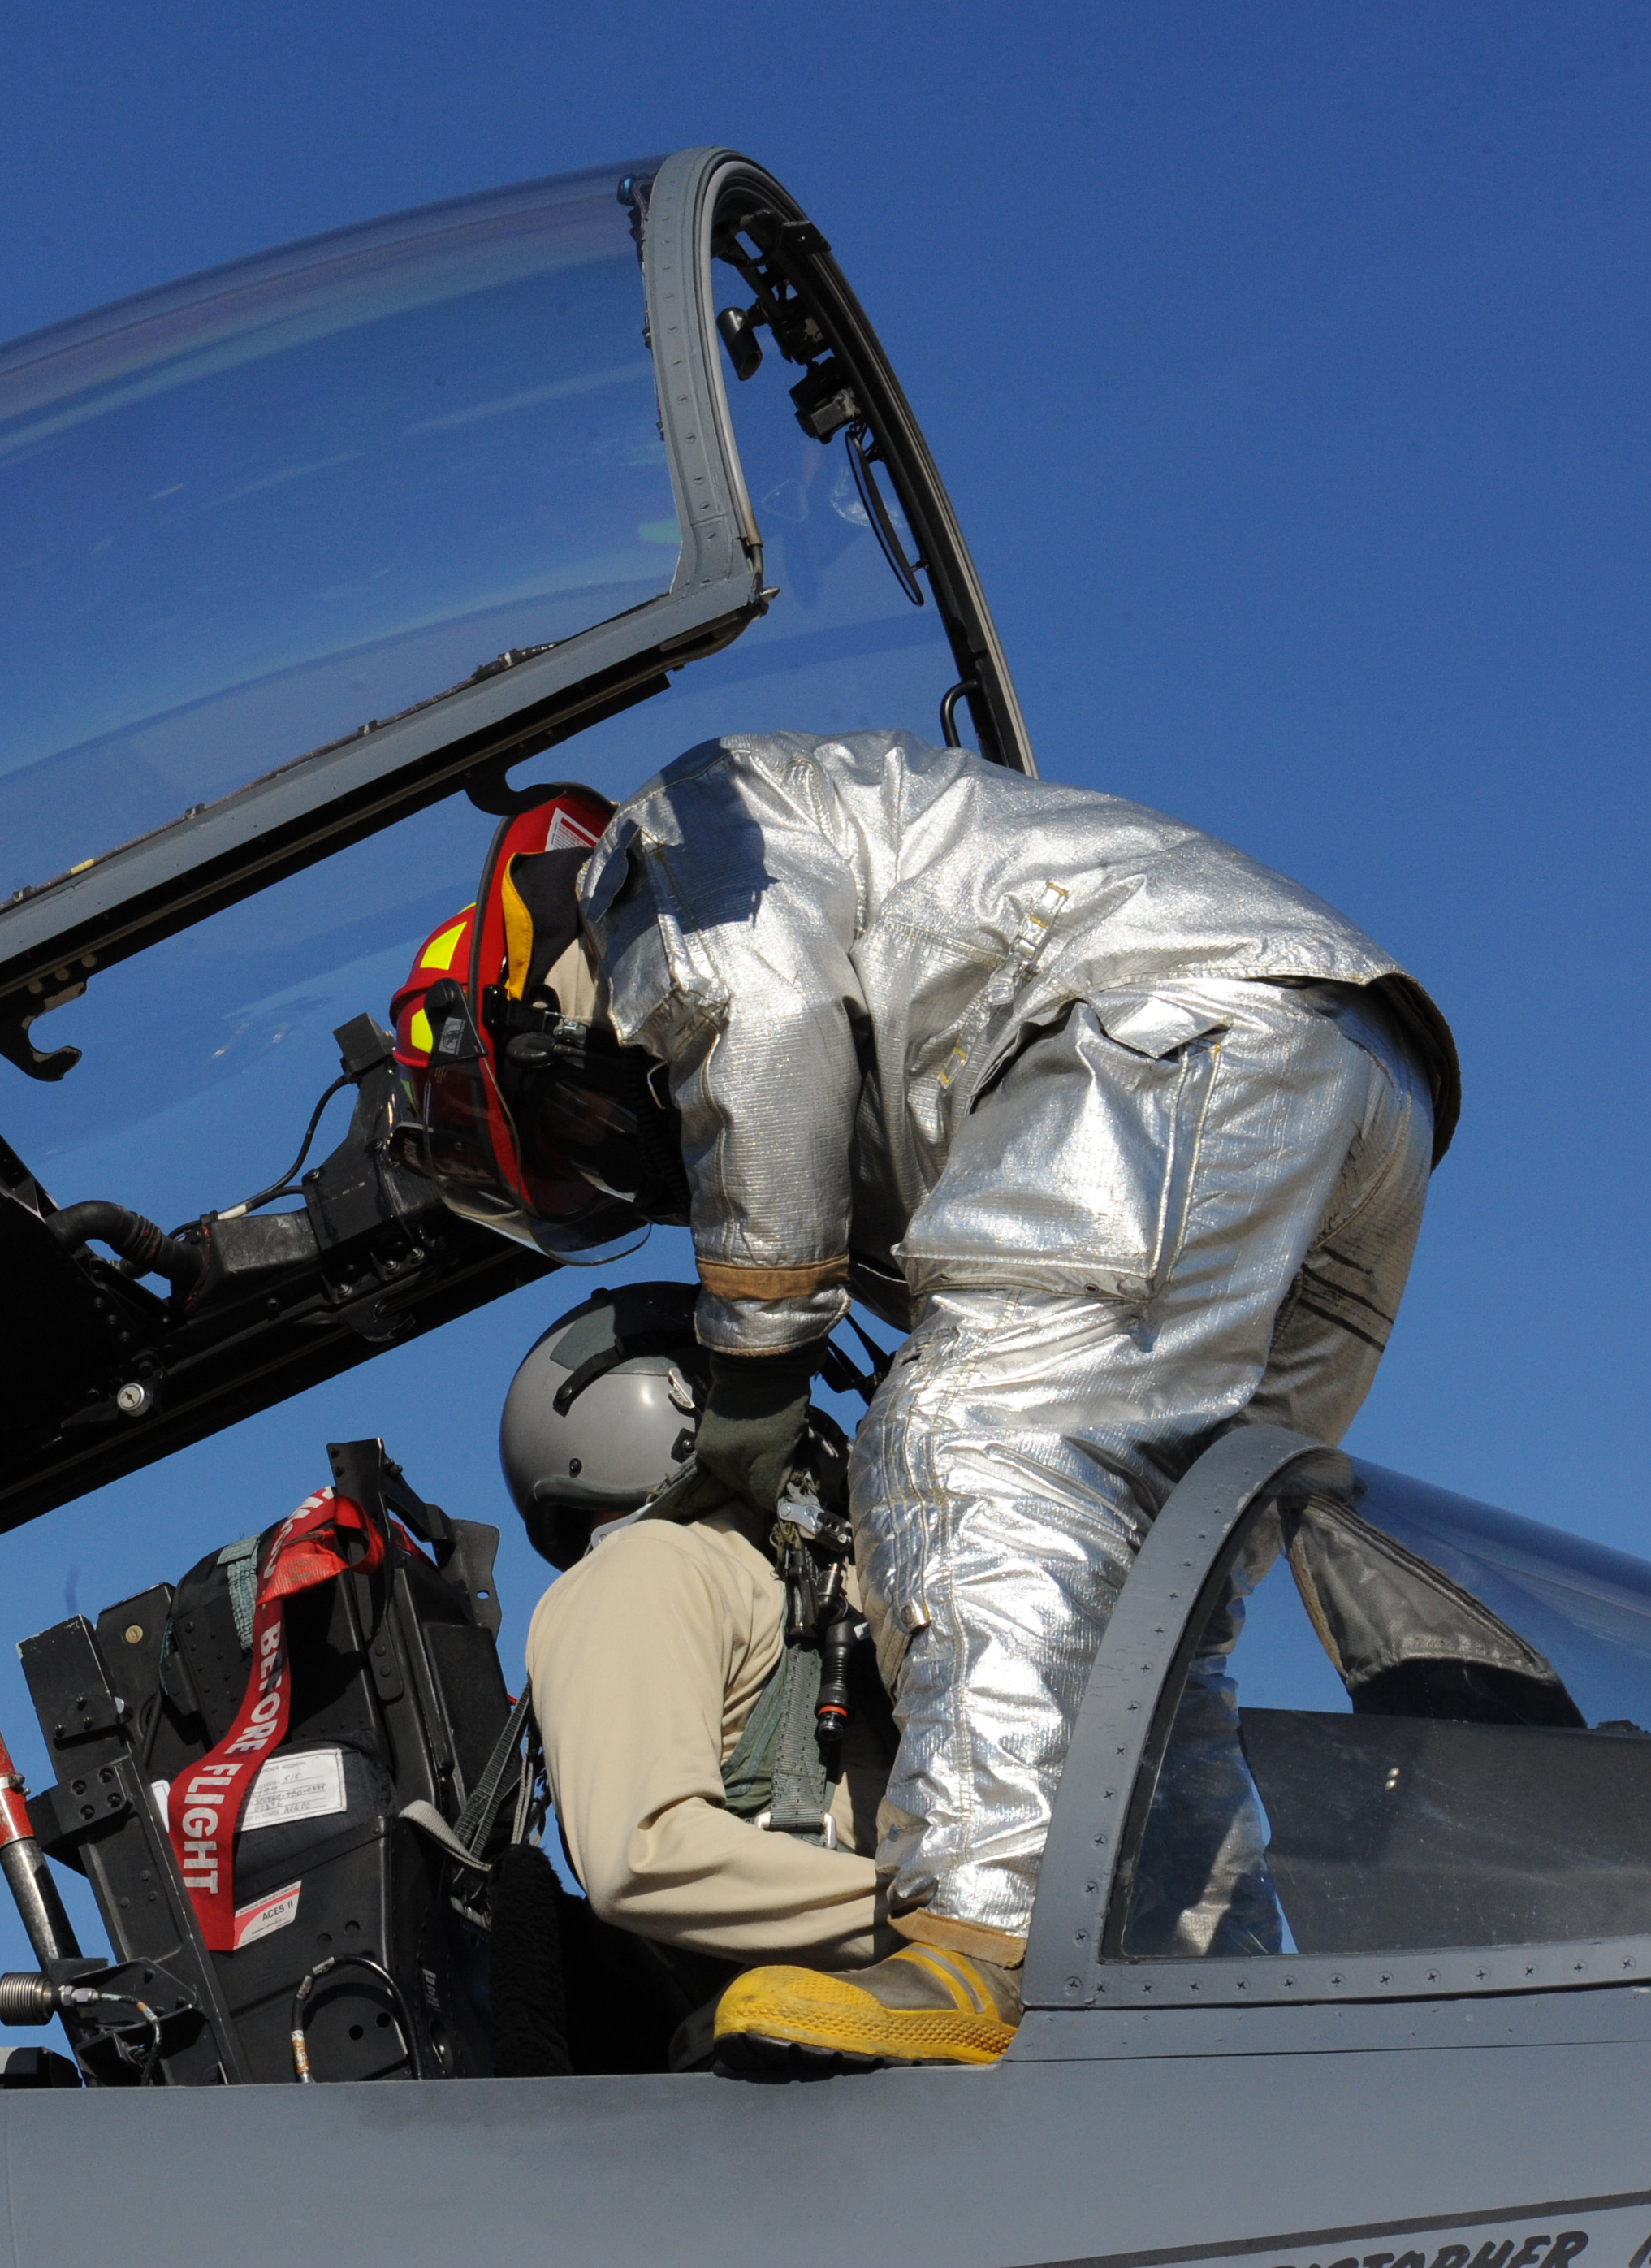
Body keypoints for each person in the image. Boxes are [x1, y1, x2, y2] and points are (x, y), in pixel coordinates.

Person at [389, 735, 1450, 2069]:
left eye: (582, 1135)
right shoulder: (821, 929)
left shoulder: (669, 854)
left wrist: (760, 1351)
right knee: (1149, 1613)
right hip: (1358, 1078)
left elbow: (756, 1020)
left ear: (527, 1006)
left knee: (968, 1428)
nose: (632, 1158)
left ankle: (986, 1944)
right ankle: (1211, 1997)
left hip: (1171, 1029)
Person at [508, 1286, 891, 2003]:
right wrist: (934, 1926)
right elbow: (642, 1854)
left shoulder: (800, 1575)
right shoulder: (651, 1565)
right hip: (800, 2049)